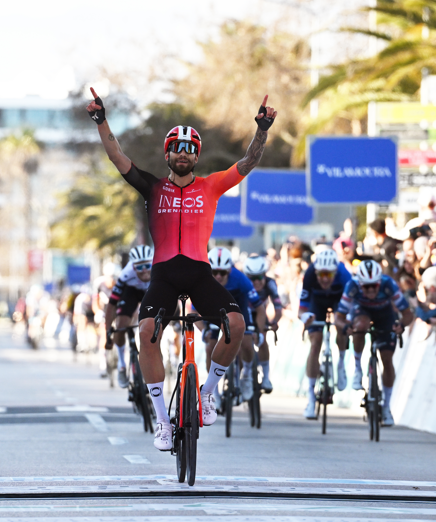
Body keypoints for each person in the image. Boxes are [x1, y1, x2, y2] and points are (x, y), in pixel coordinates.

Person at [86, 87, 276, 450]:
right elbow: (116, 155)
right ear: (168, 154)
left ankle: (207, 393)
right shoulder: (152, 188)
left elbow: (248, 162)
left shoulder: (211, 186)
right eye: (178, 149)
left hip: (199, 274)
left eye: (190, 150)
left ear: (196, 157)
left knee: (236, 324)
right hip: (164, 276)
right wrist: (101, 120)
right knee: (146, 333)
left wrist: (262, 130)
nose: (184, 154)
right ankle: (161, 421)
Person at [335, 259, 414, 427]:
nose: (370, 290)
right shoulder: (352, 286)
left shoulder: (389, 284)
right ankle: (358, 369)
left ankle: (386, 408)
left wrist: (401, 325)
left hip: (384, 315)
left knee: (387, 359)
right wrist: (345, 327)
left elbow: (408, 314)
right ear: (360, 284)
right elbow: (339, 317)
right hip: (361, 311)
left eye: (374, 286)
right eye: (366, 287)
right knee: (360, 326)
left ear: (379, 283)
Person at [204, 247, 266, 405]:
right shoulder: (202, 280)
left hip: (238, 307)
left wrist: (258, 330)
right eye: (214, 272)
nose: (218, 276)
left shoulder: (241, 279)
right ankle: (213, 392)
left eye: (223, 273)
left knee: (246, 343)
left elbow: (259, 308)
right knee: (210, 347)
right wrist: (203, 329)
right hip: (214, 311)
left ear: (230, 270)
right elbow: (194, 312)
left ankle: (246, 375)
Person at [299, 249, 352, 420]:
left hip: (339, 302)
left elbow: (351, 308)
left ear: (335, 272)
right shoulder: (309, 275)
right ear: (316, 271)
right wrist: (305, 316)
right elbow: (301, 309)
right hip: (317, 303)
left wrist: (345, 321)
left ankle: (341, 362)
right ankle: (311, 398)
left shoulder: (345, 276)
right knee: (315, 344)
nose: (324, 278)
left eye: (328, 274)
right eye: (321, 273)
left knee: (340, 325)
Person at [105, 244, 153, 388]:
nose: (144, 270)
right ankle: (121, 365)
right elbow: (111, 304)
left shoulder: (159, 269)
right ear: (133, 267)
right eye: (139, 267)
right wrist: (108, 331)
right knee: (121, 325)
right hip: (131, 291)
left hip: (150, 291)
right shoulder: (125, 275)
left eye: (147, 265)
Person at [241, 253, 283, 393]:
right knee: (241, 342)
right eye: (252, 279)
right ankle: (240, 375)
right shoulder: (241, 283)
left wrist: (275, 321)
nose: (256, 282)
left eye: (259, 277)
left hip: (260, 313)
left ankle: (266, 377)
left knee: (263, 338)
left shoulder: (271, 283)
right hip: (243, 312)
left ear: (265, 275)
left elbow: (278, 307)